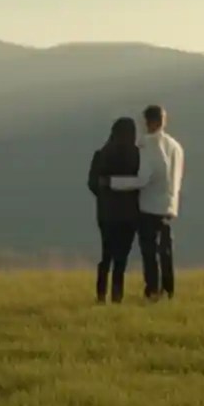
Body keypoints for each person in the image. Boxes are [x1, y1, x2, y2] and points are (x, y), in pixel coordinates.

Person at [107, 104, 185, 301]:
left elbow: (143, 179)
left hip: (150, 206)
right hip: (170, 206)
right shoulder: (176, 146)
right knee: (166, 251)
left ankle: (153, 290)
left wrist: (113, 183)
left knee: (150, 252)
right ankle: (169, 290)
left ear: (151, 122)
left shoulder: (149, 144)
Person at [87, 117, 140, 303]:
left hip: (106, 214)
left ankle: (101, 294)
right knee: (121, 258)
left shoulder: (101, 154)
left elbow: (92, 184)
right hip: (129, 214)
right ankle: (117, 295)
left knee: (106, 254)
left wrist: (105, 195)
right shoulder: (137, 155)